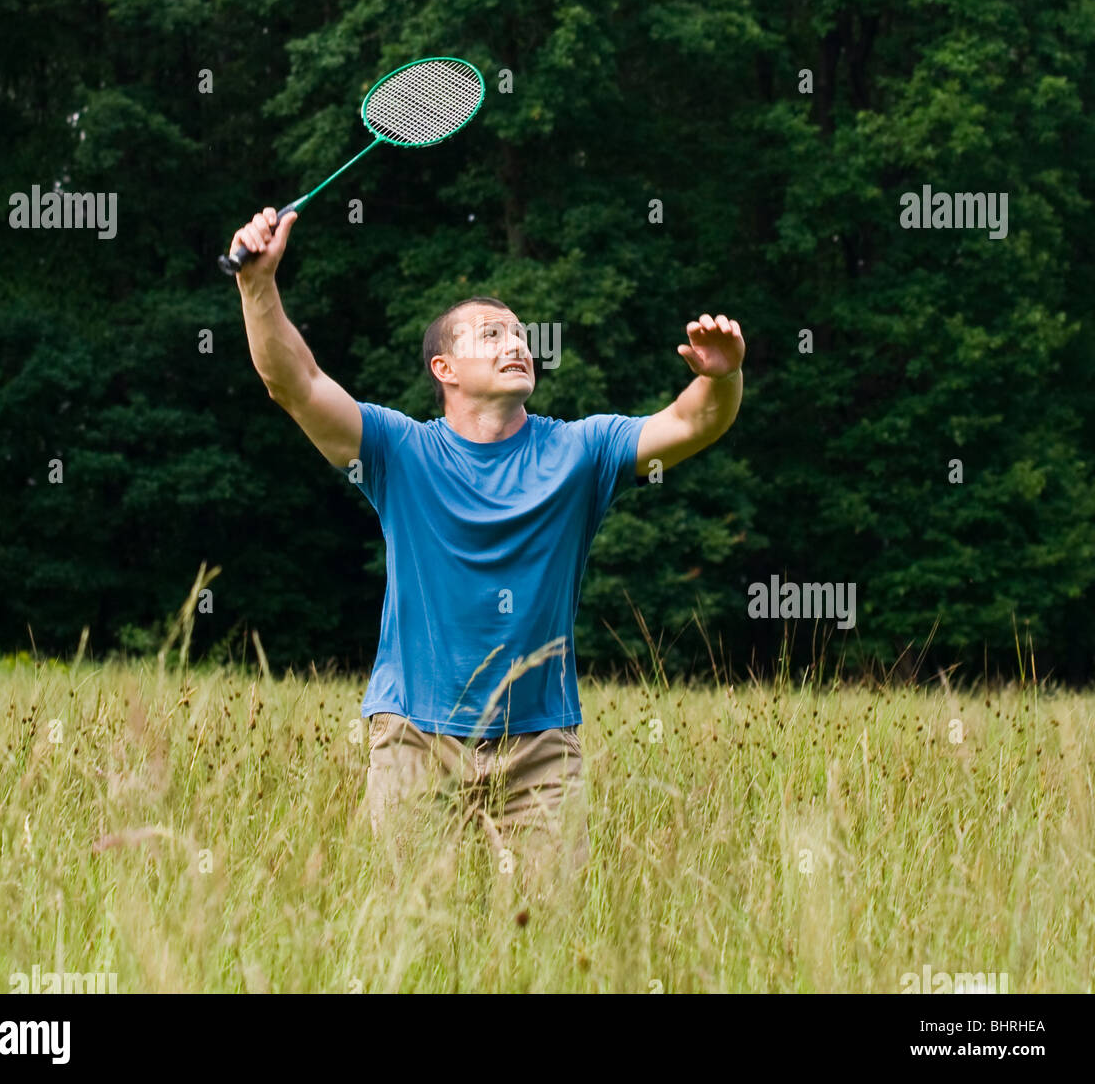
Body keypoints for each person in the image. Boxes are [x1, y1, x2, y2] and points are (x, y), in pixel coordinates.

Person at [229, 205, 745, 891]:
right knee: (414, 945)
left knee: (548, 950)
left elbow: (692, 422)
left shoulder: (580, 451)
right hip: (414, 737)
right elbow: (292, 382)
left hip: (541, 749)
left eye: (521, 336)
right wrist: (257, 285)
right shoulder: (398, 452)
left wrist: (721, 375)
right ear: (444, 367)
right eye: (492, 334)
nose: (516, 345)